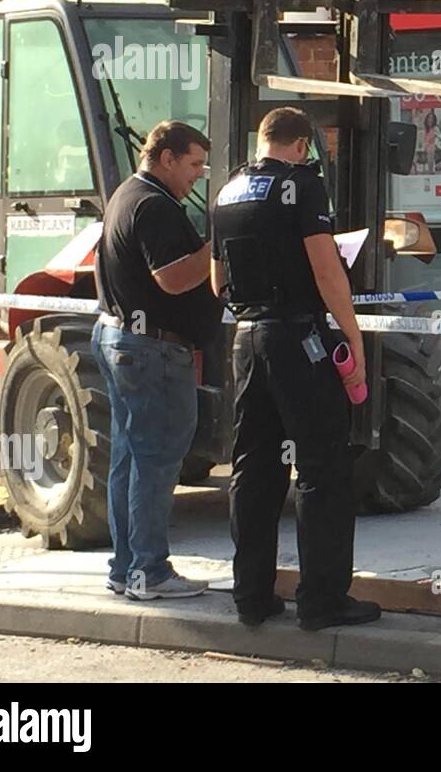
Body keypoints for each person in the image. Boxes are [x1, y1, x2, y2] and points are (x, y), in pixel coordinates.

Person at [209, 107, 381, 630]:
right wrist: (351, 337)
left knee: (255, 470)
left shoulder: (227, 190)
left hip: (246, 339)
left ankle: (252, 597)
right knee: (323, 469)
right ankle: (323, 600)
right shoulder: (303, 186)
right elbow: (327, 269)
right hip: (299, 339)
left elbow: (218, 283)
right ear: (302, 144)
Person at [92, 120, 222, 600]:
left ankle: (127, 569)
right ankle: (149, 570)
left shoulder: (127, 195)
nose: (198, 174)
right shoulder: (153, 206)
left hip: (122, 340)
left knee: (130, 457)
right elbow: (172, 278)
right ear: (166, 158)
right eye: (192, 164)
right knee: (157, 458)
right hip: (151, 351)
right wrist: (217, 249)